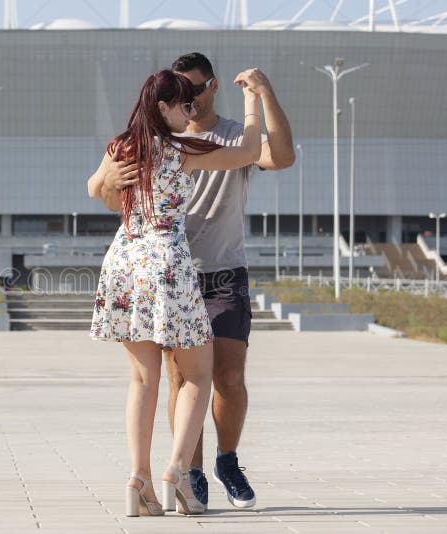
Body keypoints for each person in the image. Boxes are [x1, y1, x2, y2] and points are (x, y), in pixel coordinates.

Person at [91, 53, 295, 510]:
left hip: (126, 259)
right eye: (182, 102)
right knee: (197, 375)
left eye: (194, 97)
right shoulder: (182, 147)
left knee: (143, 378)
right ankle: (179, 472)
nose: (190, 110)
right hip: (170, 263)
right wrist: (250, 104)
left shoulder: (121, 144)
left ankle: (138, 479)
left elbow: (92, 189)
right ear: (164, 106)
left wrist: (111, 177)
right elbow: (246, 151)